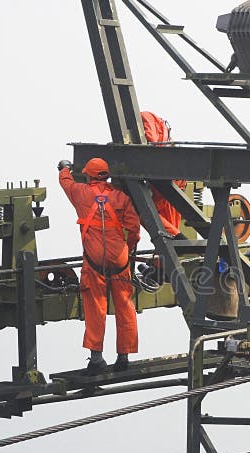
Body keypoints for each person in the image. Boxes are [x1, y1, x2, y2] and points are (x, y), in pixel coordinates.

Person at [58, 157, 140, 374]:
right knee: (125, 305)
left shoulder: (81, 193)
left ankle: (96, 359)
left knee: (96, 306)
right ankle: (124, 356)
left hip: (95, 260)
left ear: (89, 175)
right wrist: (129, 250)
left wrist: (64, 168)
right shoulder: (121, 197)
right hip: (120, 259)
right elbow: (133, 229)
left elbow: (65, 183)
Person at [140, 111, 188, 239]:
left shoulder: (145, 116)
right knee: (156, 218)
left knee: (142, 210)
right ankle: (176, 239)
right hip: (165, 181)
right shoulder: (153, 122)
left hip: (166, 177)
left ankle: (177, 238)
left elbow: (152, 141)